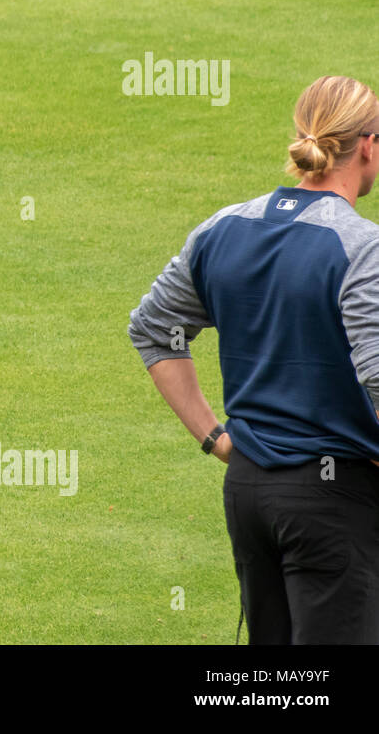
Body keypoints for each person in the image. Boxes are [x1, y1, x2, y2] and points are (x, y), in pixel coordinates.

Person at [129, 74, 379, 644]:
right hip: (333, 500)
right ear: (366, 145)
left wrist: (215, 437)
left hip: (249, 494)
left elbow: (152, 329)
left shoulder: (224, 228)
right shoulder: (362, 248)